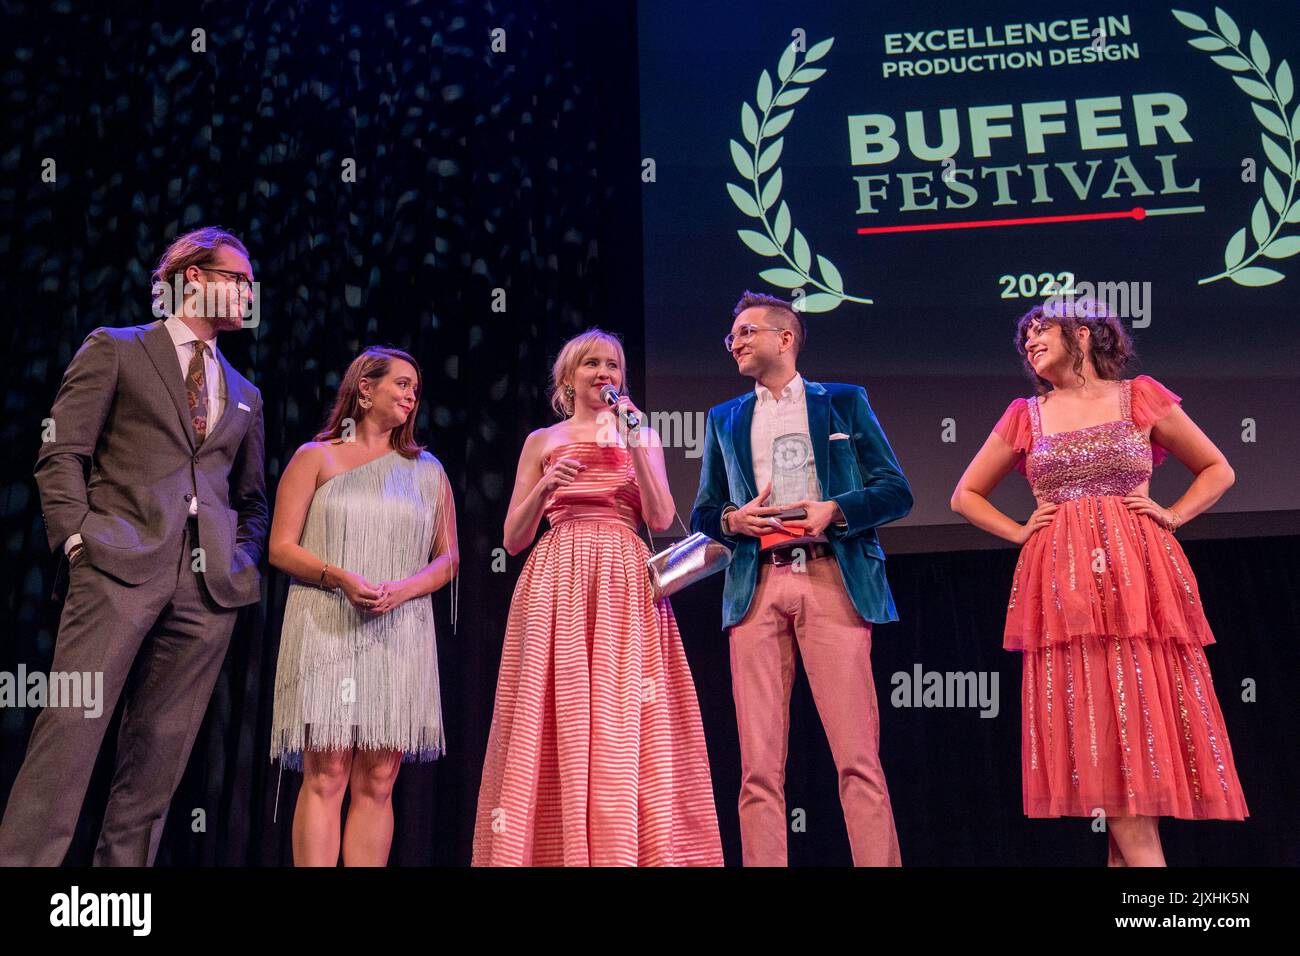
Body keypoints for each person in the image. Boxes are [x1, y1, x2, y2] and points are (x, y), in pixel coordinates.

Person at [0, 226, 268, 866]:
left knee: (159, 756)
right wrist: (75, 541)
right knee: (68, 736)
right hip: (115, 565)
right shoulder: (117, 349)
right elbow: (61, 453)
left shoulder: (246, 394)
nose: (248, 293)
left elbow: (253, 499)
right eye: (237, 279)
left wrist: (239, 560)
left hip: (206, 592)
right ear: (193, 277)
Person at [950, 298, 1249, 866]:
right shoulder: (1025, 414)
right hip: (1065, 582)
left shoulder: (1139, 396)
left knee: (1139, 715)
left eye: (1042, 331)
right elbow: (964, 495)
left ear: (1083, 335)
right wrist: (1017, 531)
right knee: (1099, 723)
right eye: (1025, 339)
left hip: (1140, 574)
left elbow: (1218, 468)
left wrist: (1175, 514)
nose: (1030, 342)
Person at [472, 328, 722, 866]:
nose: (604, 372)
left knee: (621, 716)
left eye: (612, 364)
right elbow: (513, 539)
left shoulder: (643, 435)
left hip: (623, 577)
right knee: (551, 712)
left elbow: (659, 519)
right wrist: (545, 485)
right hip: (556, 577)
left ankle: (624, 847)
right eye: (591, 363)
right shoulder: (543, 441)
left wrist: (635, 444)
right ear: (569, 378)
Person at [691, 291, 912, 867]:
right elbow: (704, 512)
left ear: (784, 338)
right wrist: (732, 520)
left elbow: (896, 490)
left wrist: (835, 509)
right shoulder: (724, 418)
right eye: (730, 335)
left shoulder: (842, 401)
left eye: (745, 332)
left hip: (829, 576)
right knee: (757, 768)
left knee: (857, 757)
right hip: (756, 588)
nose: (733, 342)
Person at [268, 347, 458, 867]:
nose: (410, 394)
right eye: (400, 383)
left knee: (379, 776)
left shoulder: (427, 470)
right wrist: (340, 578)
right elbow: (281, 546)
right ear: (364, 388)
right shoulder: (316, 457)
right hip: (326, 623)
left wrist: (405, 588)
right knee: (326, 770)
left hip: (397, 630)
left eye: (415, 388)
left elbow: (448, 560)